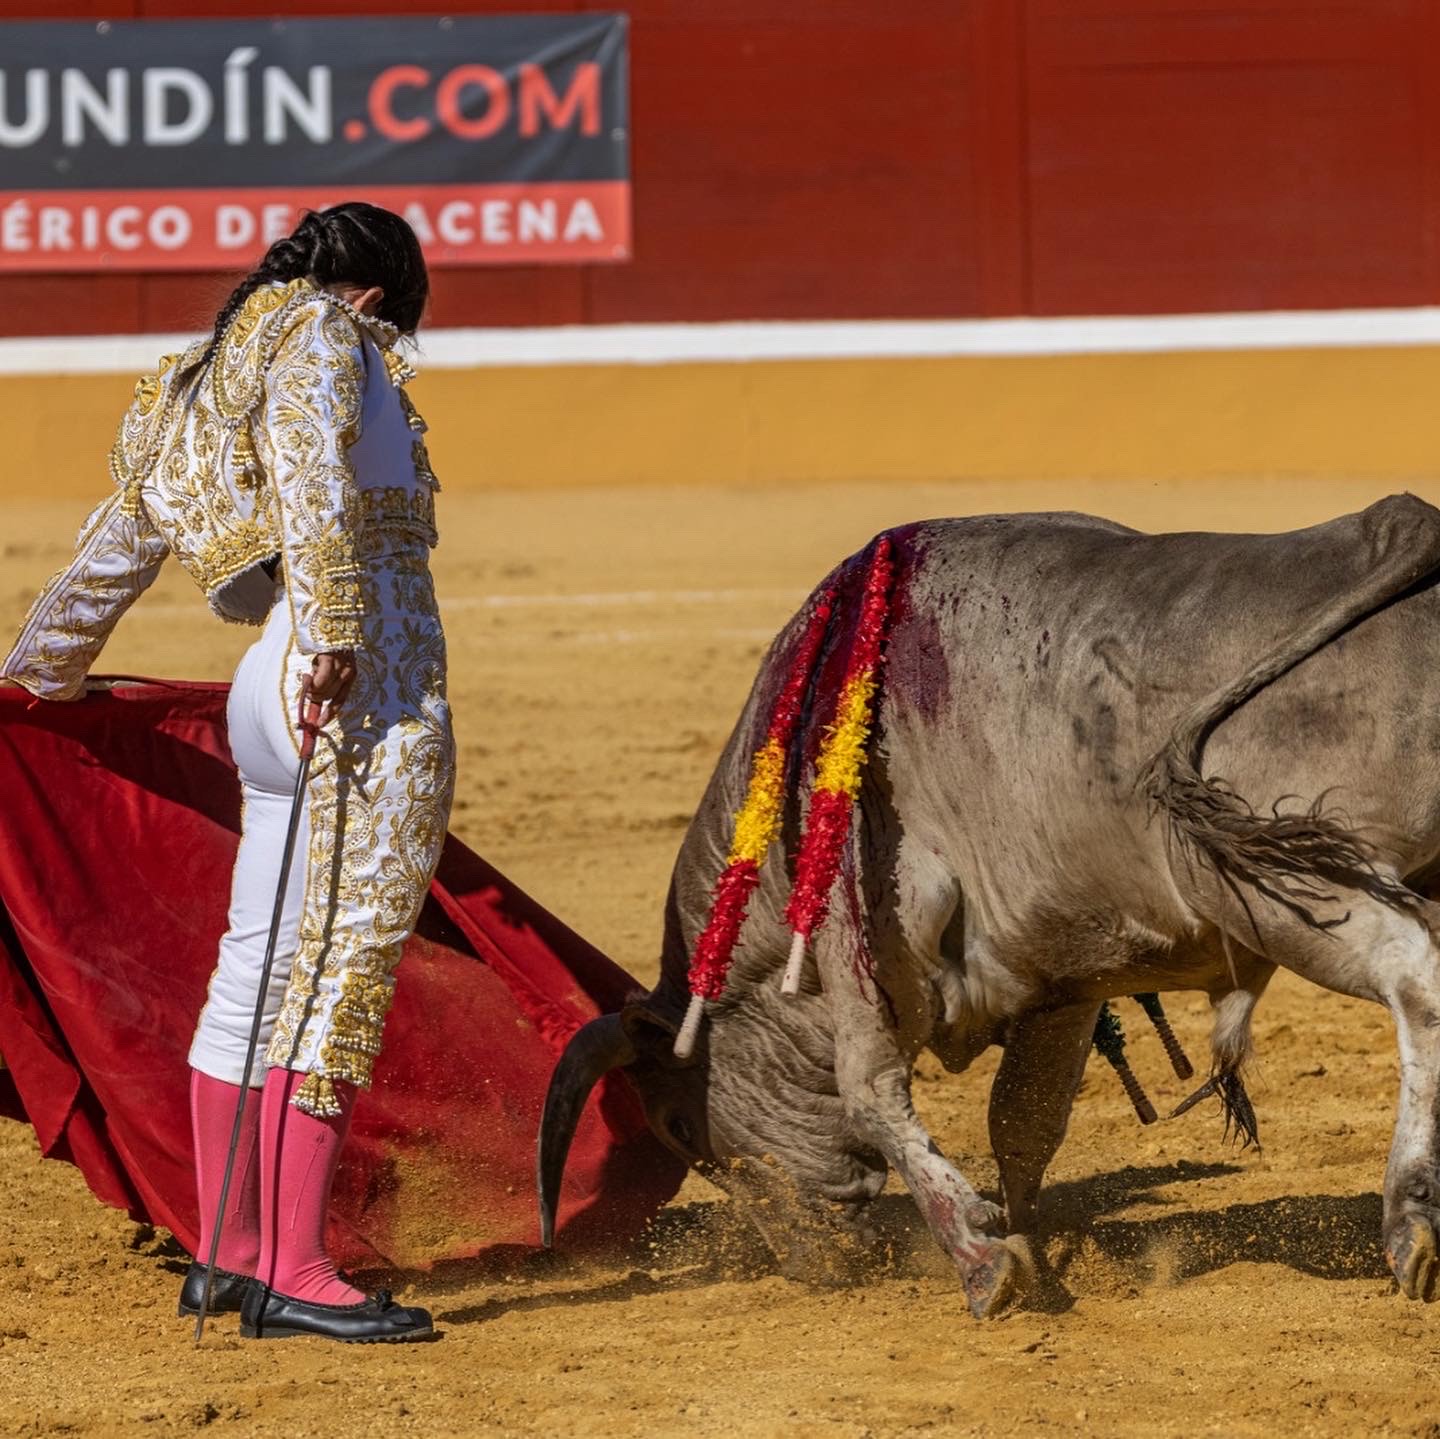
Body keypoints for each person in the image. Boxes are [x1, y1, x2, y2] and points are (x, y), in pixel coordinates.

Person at [0, 204, 454, 1343]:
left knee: (255, 964)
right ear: (373, 295)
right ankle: (296, 1269)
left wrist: (34, 675)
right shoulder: (321, 338)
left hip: (270, 683)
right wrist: (338, 636)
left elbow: (116, 544)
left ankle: (229, 1250)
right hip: (359, 692)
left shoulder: (192, 381)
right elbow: (310, 473)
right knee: (335, 970)